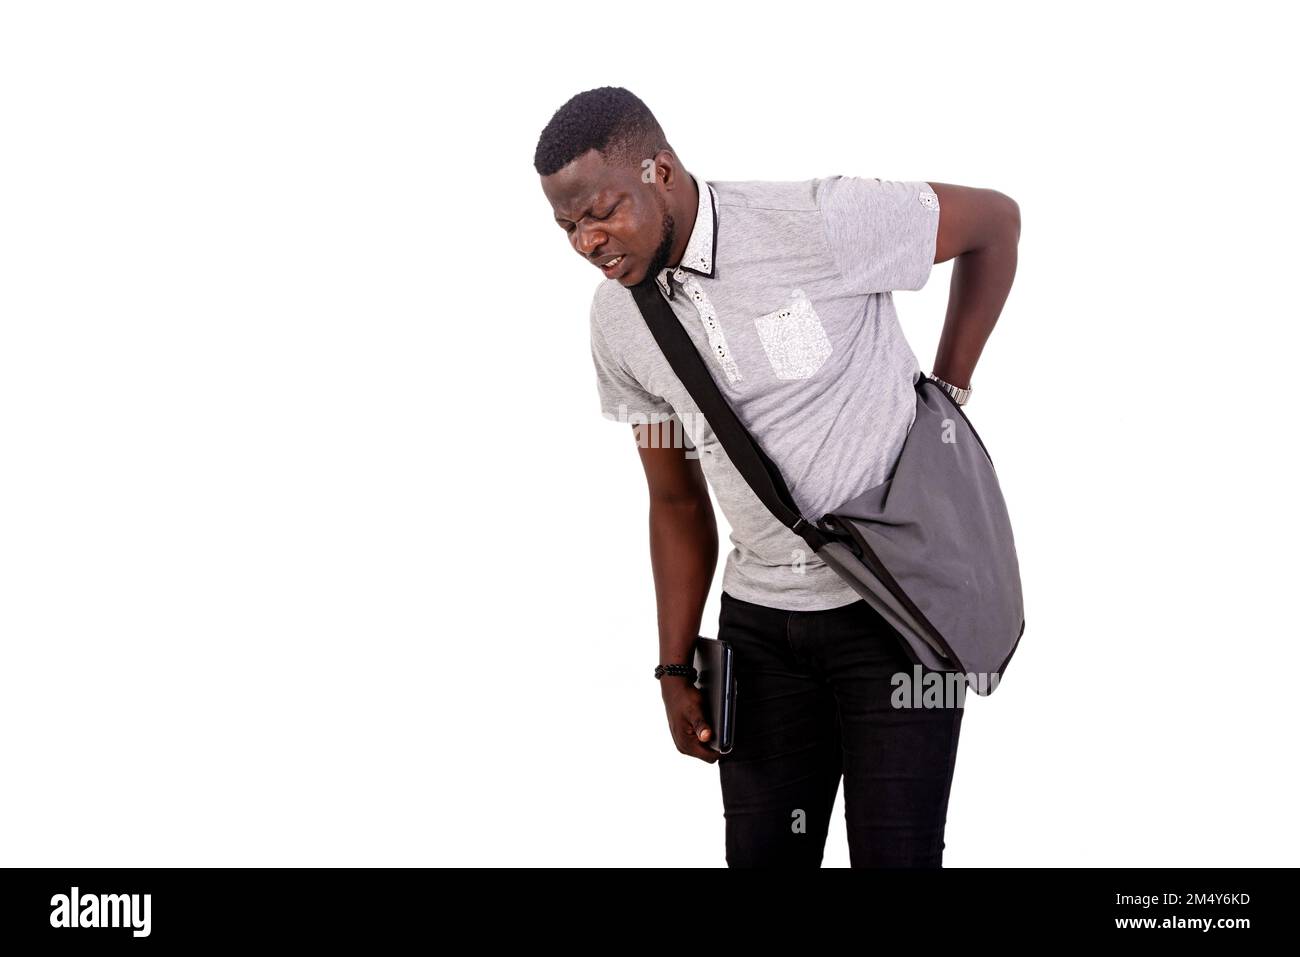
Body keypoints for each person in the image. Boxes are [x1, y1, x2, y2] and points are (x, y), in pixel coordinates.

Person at [534, 86, 1020, 867]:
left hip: (894, 614)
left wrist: (947, 399)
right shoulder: (619, 318)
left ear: (660, 170)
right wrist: (670, 664)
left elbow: (997, 224)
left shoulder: (825, 221)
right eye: (567, 227)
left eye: (601, 211)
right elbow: (674, 498)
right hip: (760, 631)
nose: (589, 241)